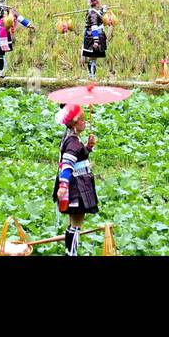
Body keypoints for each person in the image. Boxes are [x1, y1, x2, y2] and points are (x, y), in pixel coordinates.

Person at [54, 102, 98, 256]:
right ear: (73, 122)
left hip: (77, 184)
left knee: (74, 222)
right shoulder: (73, 142)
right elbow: (67, 164)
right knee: (76, 224)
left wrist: (88, 147)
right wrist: (64, 186)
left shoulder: (73, 138)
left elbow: (79, 156)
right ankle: (71, 253)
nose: (84, 122)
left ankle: (70, 252)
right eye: (82, 120)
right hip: (76, 186)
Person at [81, 0, 107, 78]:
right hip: (92, 37)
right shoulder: (92, 13)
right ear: (96, 3)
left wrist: (103, 11)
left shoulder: (94, 12)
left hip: (93, 36)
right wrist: (96, 41)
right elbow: (94, 27)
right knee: (92, 58)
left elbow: (99, 16)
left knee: (93, 58)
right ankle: (91, 76)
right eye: (99, 2)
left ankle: (92, 75)